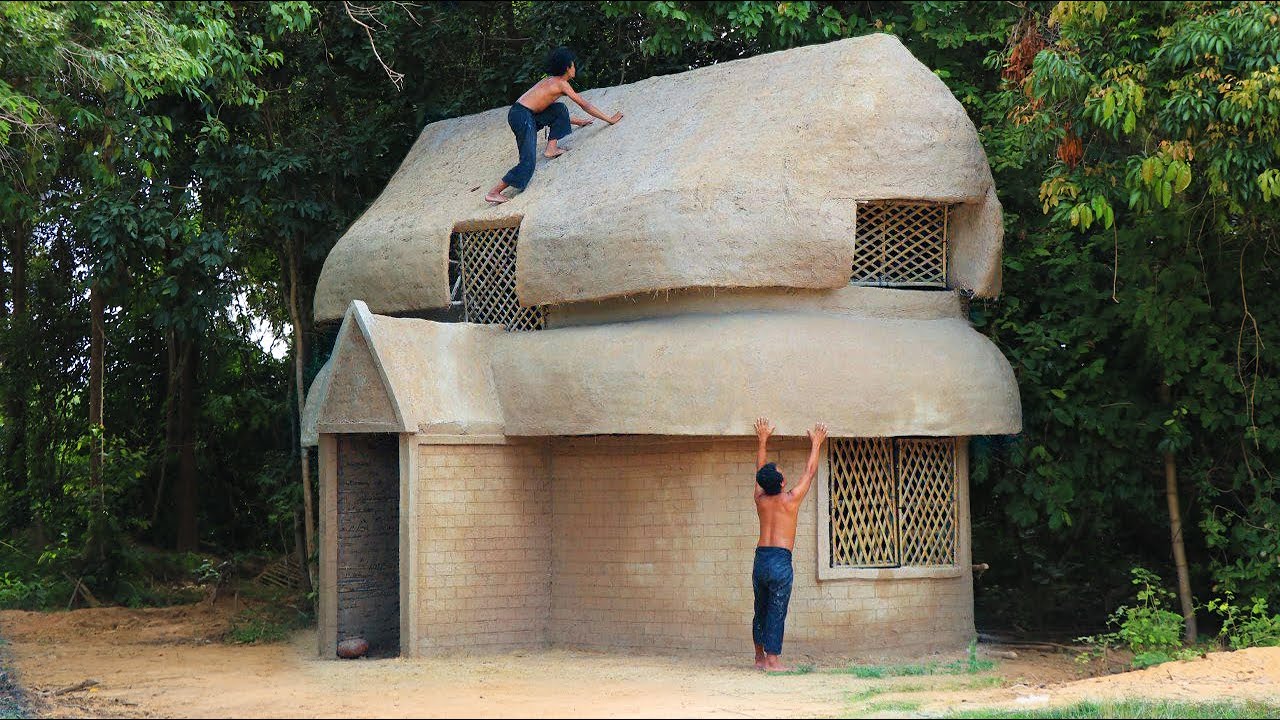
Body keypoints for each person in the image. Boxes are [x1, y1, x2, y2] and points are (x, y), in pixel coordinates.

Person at [485, 47, 624, 204]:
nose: (575, 68)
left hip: (524, 114)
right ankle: (494, 192)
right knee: (528, 163)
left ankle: (551, 149)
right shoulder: (562, 84)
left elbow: (550, 112)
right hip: (522, 116)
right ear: (567, 67)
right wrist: (609, 120)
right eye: (573, 65)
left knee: (559, 109)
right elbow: (584, 104)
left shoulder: (551, 81)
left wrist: (579, 121)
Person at [751, 417, 828, 671]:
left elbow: (760, 473)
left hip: (761, 558)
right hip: (780, 561)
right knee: (776, 609)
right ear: (782, 483)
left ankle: (759, 658)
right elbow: (810, 472)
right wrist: (816, 443)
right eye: (783, 473)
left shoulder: (760, 499)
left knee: (760, 607)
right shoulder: (791, 500)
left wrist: (762, 440)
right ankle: (773, 662)